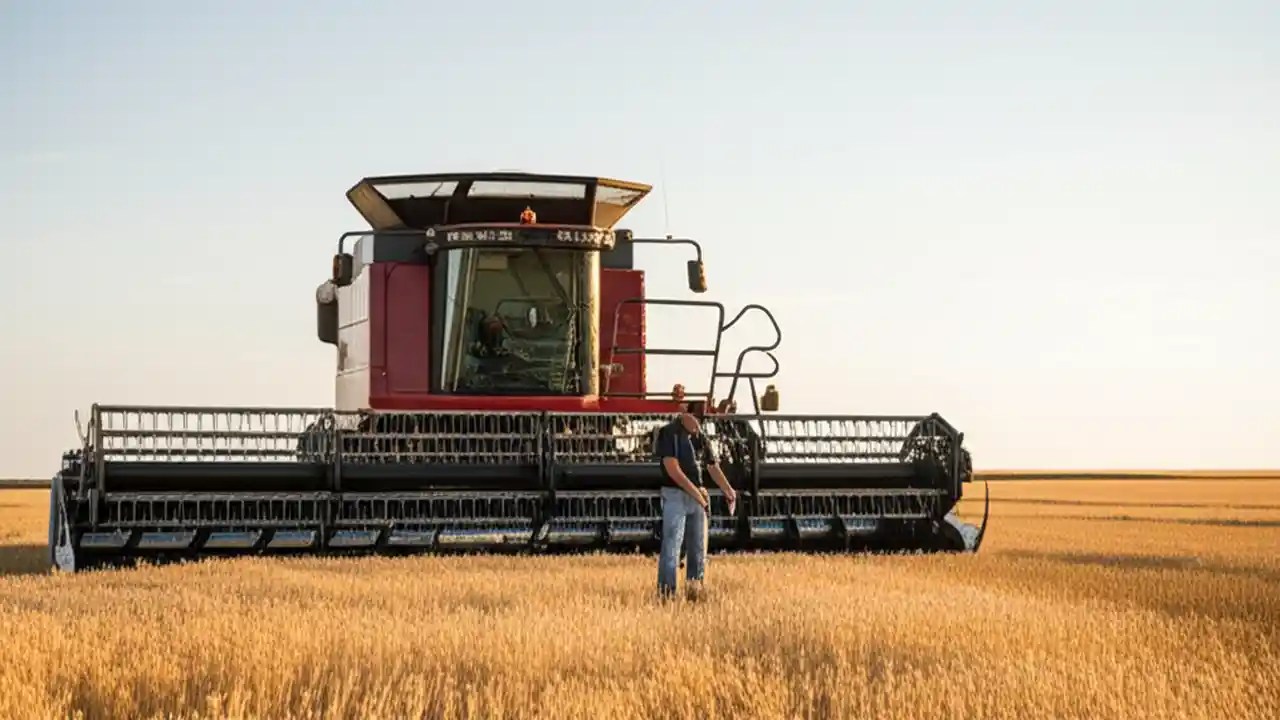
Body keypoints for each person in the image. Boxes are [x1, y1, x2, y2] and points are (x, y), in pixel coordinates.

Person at [654, 411, 737, 600]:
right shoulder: (669, 433)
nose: (698, 425)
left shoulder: (700, 436)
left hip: (697, 497)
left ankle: (695, 592)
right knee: (672, 547)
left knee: (698, 549)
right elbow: (672, 469)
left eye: (701, 422)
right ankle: (667, 595)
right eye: (696, 420)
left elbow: (712, 466)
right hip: (675, 495)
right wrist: (697, 493)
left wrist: (728, 490)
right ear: (685, 415)